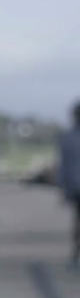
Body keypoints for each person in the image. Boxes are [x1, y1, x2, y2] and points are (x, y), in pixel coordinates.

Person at [61, 102, 80, 268]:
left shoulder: (68, 137)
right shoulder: (68, 137)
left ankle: (75, 256)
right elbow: (64, 166)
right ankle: (75, 255)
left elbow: (64, 166)